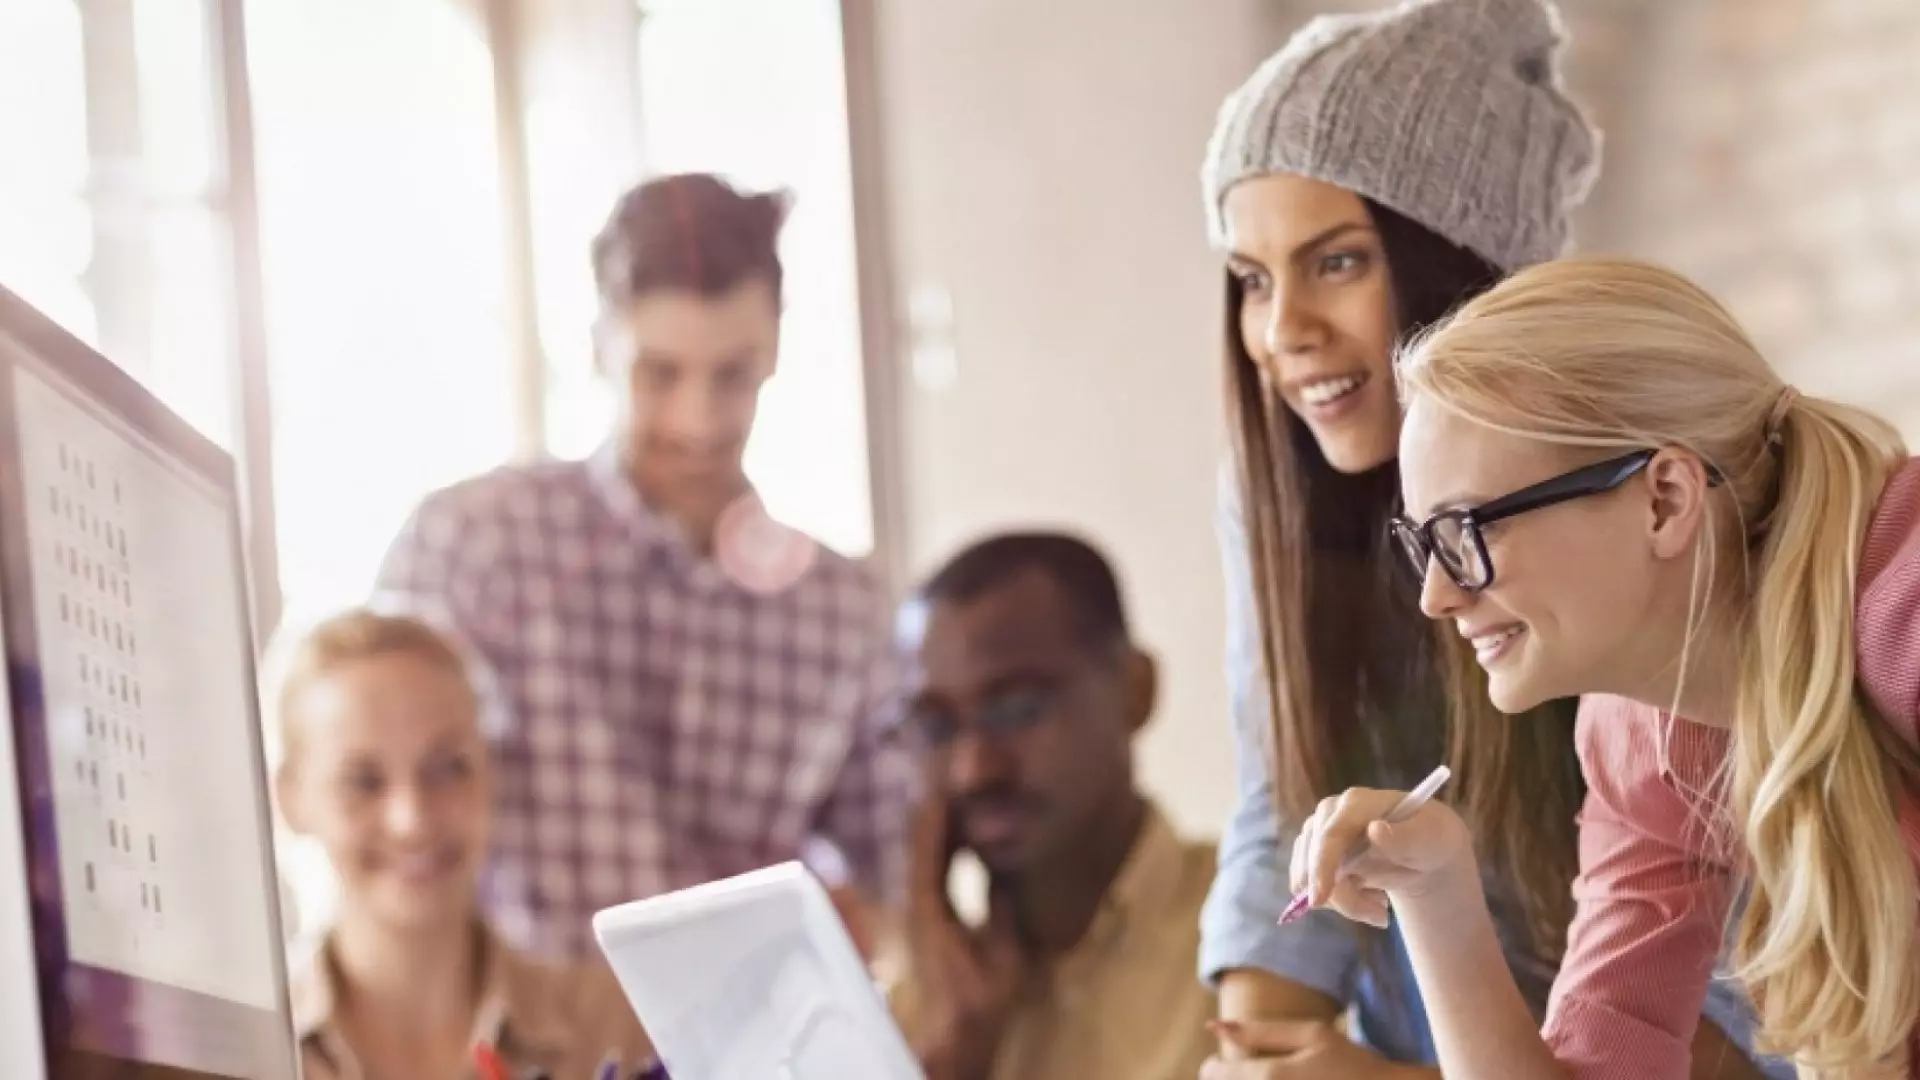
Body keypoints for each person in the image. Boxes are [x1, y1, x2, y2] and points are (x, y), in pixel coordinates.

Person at [1195, 0, 1780, 1077]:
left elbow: (1742, 1027)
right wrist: (1261, 1049)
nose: (1283, 334)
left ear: (1461, 268)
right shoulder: (1280, 503)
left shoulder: (1659, 582)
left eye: (1337, 263)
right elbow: (1281, 800)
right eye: (1251, 279)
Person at [1293, 254, 1920, 1079]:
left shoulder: (1902, 613)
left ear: (1664, 498)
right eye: (1424, 547)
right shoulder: (1640, 737)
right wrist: (1434, 892)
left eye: (1467, 532)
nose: (1436, 598)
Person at [375, 172, 910, 960]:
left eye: (733, 374)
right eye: (658, 375)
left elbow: (888, 894)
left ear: (776, 351)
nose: (699, 423)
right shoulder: (475, 545)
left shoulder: (846, 613)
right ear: (599, 346)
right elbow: (385, 804)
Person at [271, 609, 653, 1079]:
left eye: (448, 768)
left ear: (489, 773)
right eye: (362, 781)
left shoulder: (623, 1028)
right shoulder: (237, 1056)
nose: (410, 820)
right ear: (290, 801)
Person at [891, 533, 1218, 1080]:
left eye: (1017, 708)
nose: (973, 770)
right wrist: (957, 1052)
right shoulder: (920, 998)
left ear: (1135, 690)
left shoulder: (1261, 924)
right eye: (936, 726)